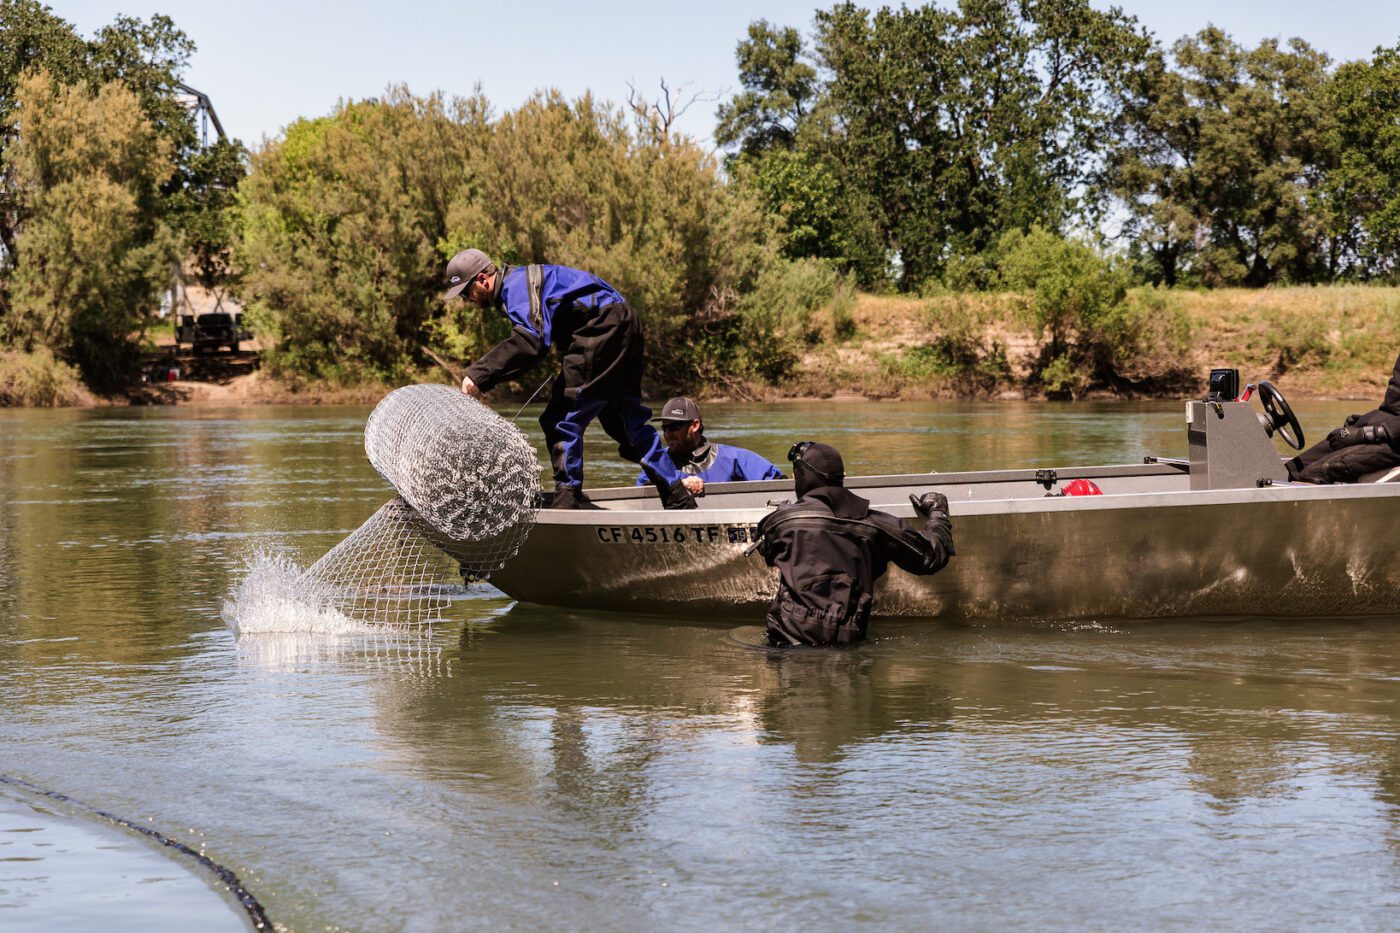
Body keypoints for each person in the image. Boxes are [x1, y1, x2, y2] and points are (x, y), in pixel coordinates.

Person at [443, 249, 663, 509]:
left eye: (466, 292)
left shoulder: (515, 288)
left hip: (602, 328)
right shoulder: (521, 282)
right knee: (621, 420)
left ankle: (567, 504)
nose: (467, 300)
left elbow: (531, 341)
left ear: (482, 279)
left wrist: (477, 375)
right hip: (622, 321)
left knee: (559, 420)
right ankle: (676, 493)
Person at [754, 441, 955, 647]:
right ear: (842, 477)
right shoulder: (875, 525)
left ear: (803, 478)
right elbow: (931, 556)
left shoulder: (781, 521)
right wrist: (937, 513)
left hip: (785, 645)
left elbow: (767, 553)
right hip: (846, 646)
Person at [634, 396, 786, 498]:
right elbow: (641, 493)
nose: (667, 435)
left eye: (674, 427)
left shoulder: (733, 457)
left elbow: (779, 484)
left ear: (694, 425)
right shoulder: (657, 462)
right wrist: (677, 485)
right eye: (664, 429)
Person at [1286, 350, 1400, 484]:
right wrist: (1366, 421)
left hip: (1395, 443)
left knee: (1314, 473)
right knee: (1294, 468)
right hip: (1390, 432)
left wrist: (1367, 433)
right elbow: (1394, 406)